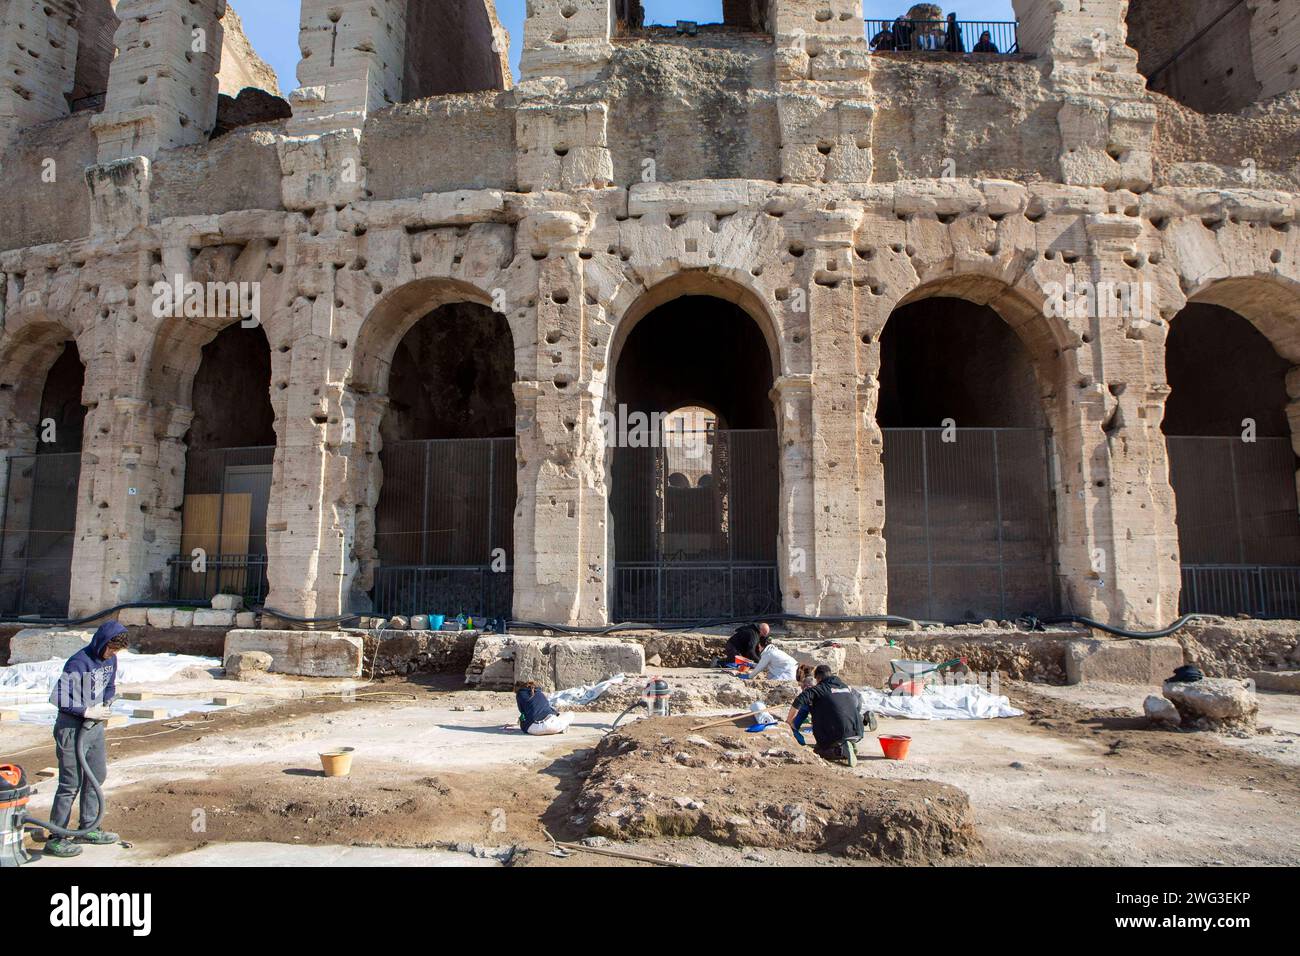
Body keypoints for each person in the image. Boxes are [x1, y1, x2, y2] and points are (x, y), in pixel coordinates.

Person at [44, 620, 129, 858]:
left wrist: (106, 703)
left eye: (115, 651)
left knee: (96, 775)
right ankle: (56, 837)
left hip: (93, 728)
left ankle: (88, 827)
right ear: (101, 642)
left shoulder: (110, 659)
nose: (111, 654)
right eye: (109, 649)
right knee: (70, 783)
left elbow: (109, 686)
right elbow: (57, 696)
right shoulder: (79, 662)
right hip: (71, 728)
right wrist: (85, 711)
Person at [785, 665, 865, 766]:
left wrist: (789, 721)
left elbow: (799, 700)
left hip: (838, 733)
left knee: (818, 751)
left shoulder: (819, 689)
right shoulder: (845, 687)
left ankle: (840, 751)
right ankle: (849, 743)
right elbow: (857, 701)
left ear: (818, 678)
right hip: (858, 731)